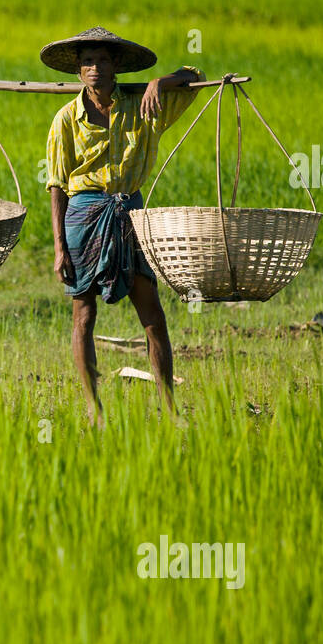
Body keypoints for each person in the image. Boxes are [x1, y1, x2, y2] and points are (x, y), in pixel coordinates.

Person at [41, 26, 203, 426]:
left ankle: (170, 409)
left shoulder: (144, 106)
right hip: (83, 215)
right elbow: (58, 187)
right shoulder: (65, 120)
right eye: (87, 62)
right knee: (84, 314)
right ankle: (94, 409)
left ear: (115, 68)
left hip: (130, 215)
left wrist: (159, 82)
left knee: (152, 314)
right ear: (79, 72)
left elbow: (195, 77)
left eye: (102, 60)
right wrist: (60, 246)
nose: (95, 68)